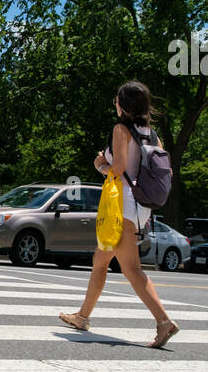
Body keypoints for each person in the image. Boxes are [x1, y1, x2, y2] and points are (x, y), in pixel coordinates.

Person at [59, 81, 179, 348]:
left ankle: (164, 322)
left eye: (117, 100)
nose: (114, 103)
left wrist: (100, 164)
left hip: (122, 204)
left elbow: (119, 169)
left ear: (124, 105)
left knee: (131, 268)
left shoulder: (120, 129)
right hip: (140, 206)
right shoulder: (151, 133)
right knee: (100, 261)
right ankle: (82, 316)